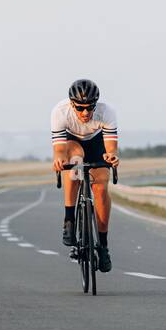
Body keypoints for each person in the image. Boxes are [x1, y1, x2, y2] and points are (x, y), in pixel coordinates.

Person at [51, 78, 120, 272]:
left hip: (97, 142)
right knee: (75, 162)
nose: (85, 113)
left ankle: (103, 245)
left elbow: (111, 148)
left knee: (100, 188)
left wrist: (111, 156)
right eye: (80, 108)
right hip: (72, 142)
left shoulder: (107, 112)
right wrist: (58, 160)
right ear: (72, 104)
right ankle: (69, 219)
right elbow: (59, 149)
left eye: (90, 107)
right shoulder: (60, 112)